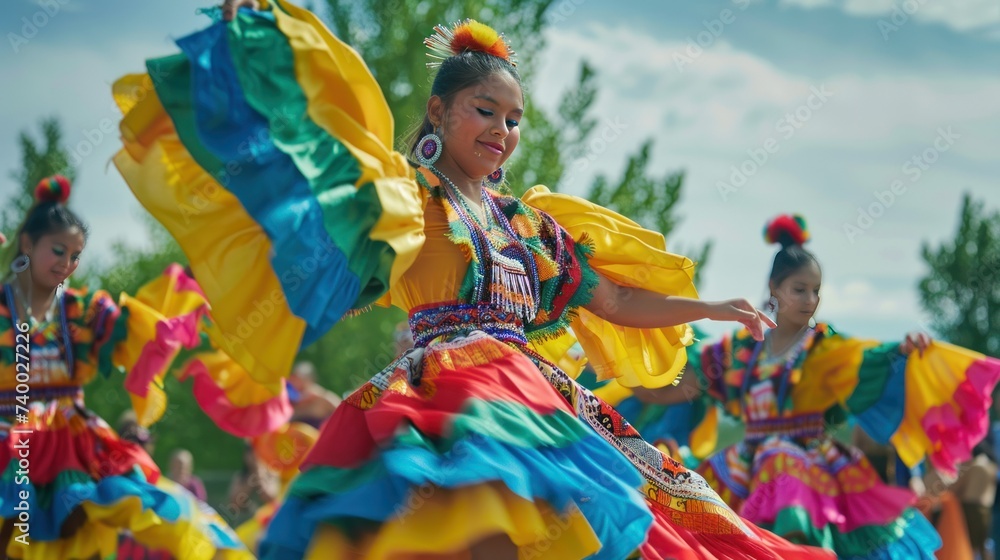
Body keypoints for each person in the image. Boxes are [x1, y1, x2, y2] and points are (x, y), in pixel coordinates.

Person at [113, 2, 835, 558]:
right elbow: (311, 159)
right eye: (485, 112)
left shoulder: (532, 226)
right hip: (445, 394)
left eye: (515, 118)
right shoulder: (409, 197)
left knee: (642, 518)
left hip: (532, 393)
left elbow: (611, 300)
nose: (503, 130)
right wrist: (250, 56)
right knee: (472, 532)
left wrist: (707, 306)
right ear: (440, 112)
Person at [642, 214, 1000, 557]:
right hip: (745, 466)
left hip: (809, 467)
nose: (810, 300)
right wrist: (628, 374)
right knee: (700, 527)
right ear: (774, 289)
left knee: (788, 490)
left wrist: (905, 349)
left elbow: (872, 358)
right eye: (799, 290)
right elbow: (680, 387)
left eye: (815, 291)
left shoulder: (823, 349)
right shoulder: (738, 350)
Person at [0, 176, 250, 559]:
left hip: (79, 444)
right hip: (10, 436)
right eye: (57, 251)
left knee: (152, 511)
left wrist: (196, 274)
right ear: (27, 245)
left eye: (75, 255)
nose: (67, 264)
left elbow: (144, 329)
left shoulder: (83, 310)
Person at [287, 361, 340, 429]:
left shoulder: (321, 399)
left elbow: (342, 411)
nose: (293, 380)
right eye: (293, 377)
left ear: (309, 380)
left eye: (297, 377)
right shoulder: (291, 400)